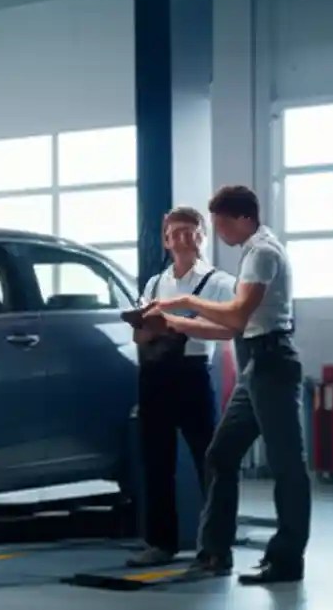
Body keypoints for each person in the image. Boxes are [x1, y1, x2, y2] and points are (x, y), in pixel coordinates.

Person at [144, 185, 309, 585]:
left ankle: (286, 559)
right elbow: (233, 326)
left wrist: (184, 304)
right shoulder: (252, 252)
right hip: (253, 359)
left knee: (286, 464)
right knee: (220, 455)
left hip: (271, 360)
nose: (219, 233)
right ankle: (215, 553)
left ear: (241, 219)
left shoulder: (263, 253)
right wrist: (174, 321)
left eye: (218, 225)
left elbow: (235, 318)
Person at [126, 207, 235, 568]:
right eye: (176, 232)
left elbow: (228, 328)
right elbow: (139, 334)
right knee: (156, 462)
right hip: (155, 374)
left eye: (192, 231)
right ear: (166, 240)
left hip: (192, 374)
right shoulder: (155, 284)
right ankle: (160, 543)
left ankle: (217, 548)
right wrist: (147, 327)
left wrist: (176, 324)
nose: (184, 237)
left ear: (203, 236)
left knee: (210, 460)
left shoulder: (219, 282)